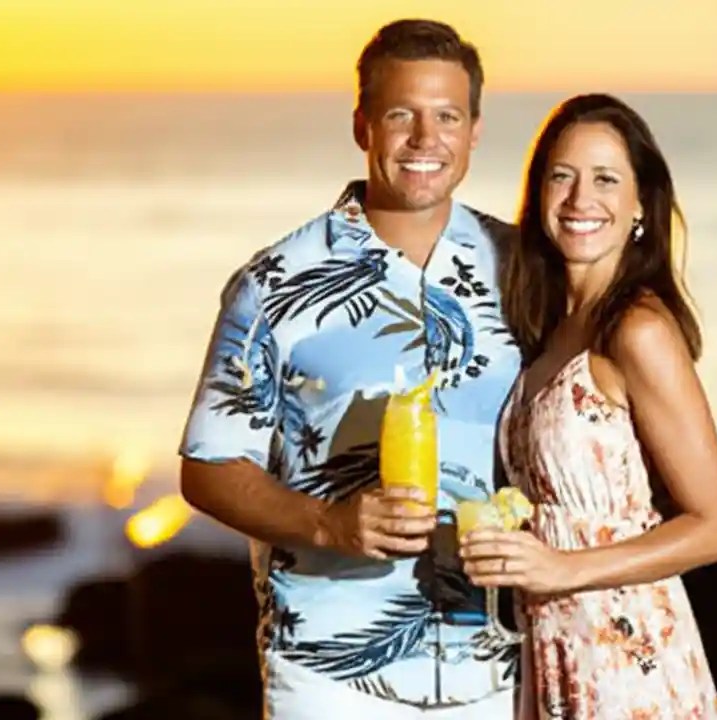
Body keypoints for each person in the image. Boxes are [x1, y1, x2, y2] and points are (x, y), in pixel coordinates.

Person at [178, 19, 522, 719]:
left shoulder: (525, 271)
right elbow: (208, 468)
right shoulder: (276, 283)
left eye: (447, 116)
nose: (426, 140)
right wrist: (329, 523)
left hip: (497, 671)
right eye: (402, 115)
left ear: (476, 130)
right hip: (330, 679)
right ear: (363, 126)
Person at [460, 94, 717, 718]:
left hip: (628, 659)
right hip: (555, 648)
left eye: (606, 179)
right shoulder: (550, 332)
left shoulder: (637, 330)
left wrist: (563, 568)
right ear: (538, 195)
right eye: (562, 176)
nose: (580, 199)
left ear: (641, 204)